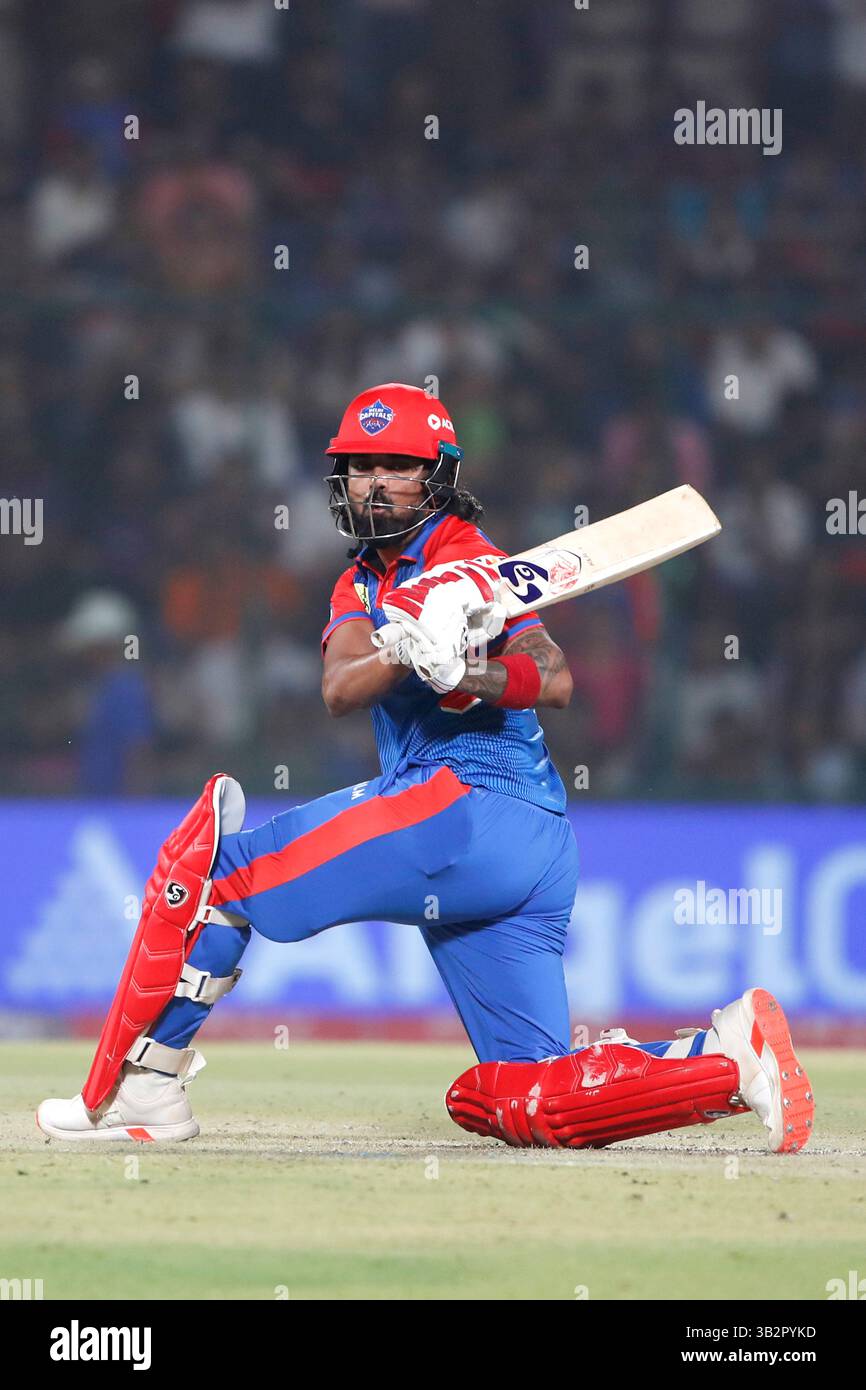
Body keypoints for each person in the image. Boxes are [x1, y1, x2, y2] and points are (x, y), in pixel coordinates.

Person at [37, 384, 814, 1152]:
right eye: (360, 466)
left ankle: (147, 1088)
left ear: (436, 476)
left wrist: (464, 672)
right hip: (525, 850)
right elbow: (341, 687)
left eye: (396, 466)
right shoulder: (361, 583)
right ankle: (726, 1060)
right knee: (528, 1094)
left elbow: (555, 678)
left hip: (466, 803)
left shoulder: (472, 562)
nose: (374, 482)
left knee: (217, 875)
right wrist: (402, 647)